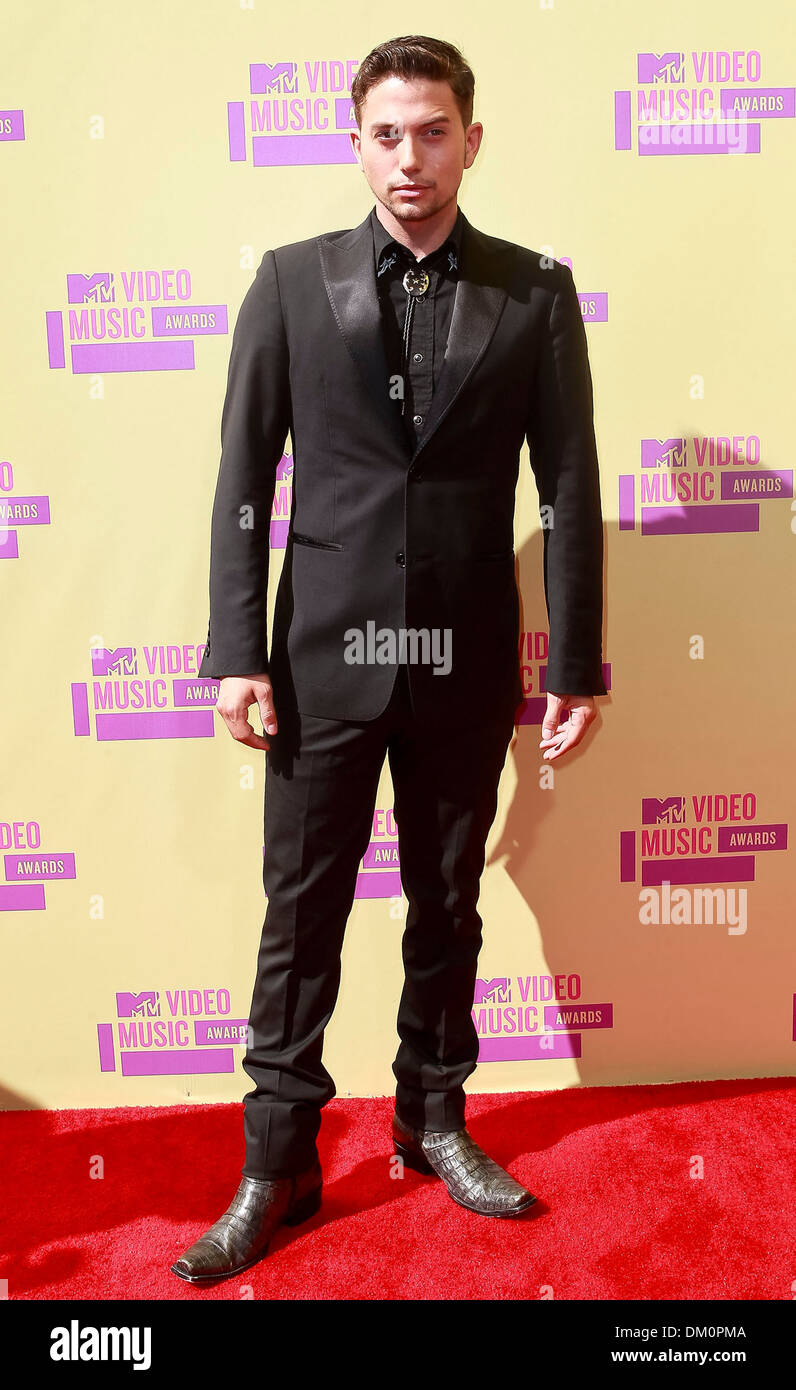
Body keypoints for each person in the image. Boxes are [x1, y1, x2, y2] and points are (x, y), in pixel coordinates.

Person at [171, 33, 606, 1283]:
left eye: (432, 132)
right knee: (300, 910)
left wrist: (572, 661)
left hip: (465, 660)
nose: (409, 158)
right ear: (352, 140)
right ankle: (278, 1160)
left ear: (471, 137)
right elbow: (243, 478)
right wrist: (234, 652)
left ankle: (434, 1119)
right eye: (385, 134)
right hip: (321, 658)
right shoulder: (292, 283)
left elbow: (568, 488)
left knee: (449, 903)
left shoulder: (535, 292)